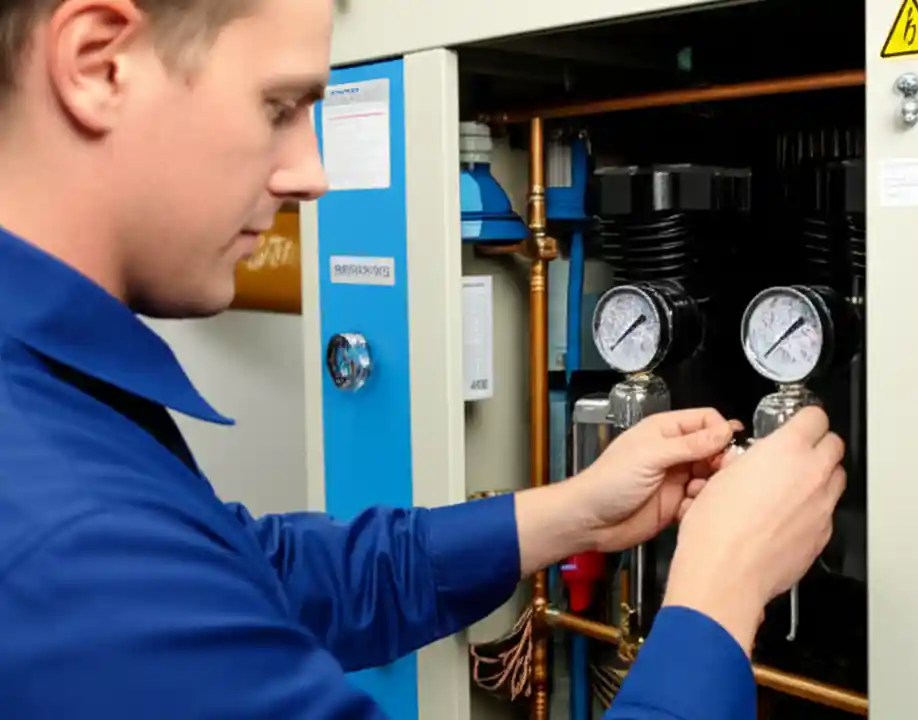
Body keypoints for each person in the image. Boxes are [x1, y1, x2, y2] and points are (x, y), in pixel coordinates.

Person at [0, 0, 848, 718]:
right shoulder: (75, 551)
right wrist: (719, 596)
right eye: (278, 107)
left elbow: (260, 576)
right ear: (99, 62)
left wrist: (575, 513)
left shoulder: (48, 417)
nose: (312, 174)